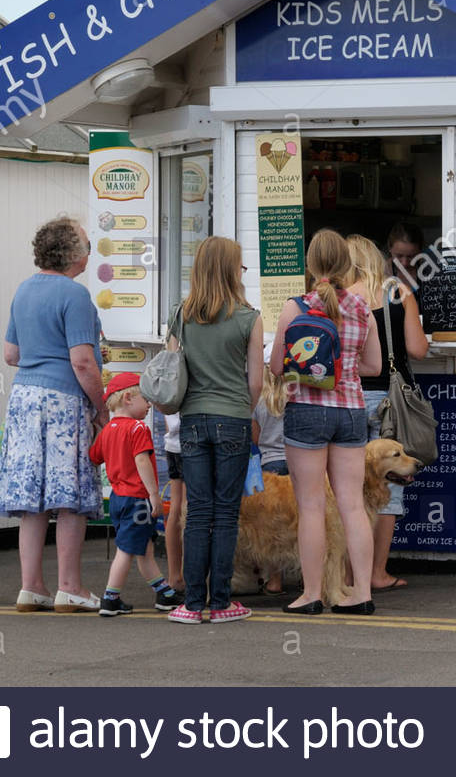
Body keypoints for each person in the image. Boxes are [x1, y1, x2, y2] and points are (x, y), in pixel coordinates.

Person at [0, 217, 106, 614]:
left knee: (32, 499)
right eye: (88, 245)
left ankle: (32, 588)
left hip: (24, 398)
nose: (90, 253)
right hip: (61, 402)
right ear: (73, 253)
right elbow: (83, 363)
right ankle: (70, 588)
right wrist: (103, 406)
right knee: (69, 496)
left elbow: (11, 355)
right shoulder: (74, 296)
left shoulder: (24, 290)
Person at [271, 229, 382, 616]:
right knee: (352, 504)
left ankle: (312, 594)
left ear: (310, 264)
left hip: (306, 410)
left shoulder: (295, 307)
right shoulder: (361, 308)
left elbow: (275, 366)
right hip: (351, 409)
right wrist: (344, 370)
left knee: (312, 505)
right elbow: (375, 366)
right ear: (347, 265)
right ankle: (361, 593)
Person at [172, 237, 264, 624]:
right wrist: (242, 410)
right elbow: (256, 381)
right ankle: (222, 602)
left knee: (197, 513)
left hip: (192, 420)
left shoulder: (182, 315)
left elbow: (171, 370)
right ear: (232, 270)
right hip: (233, 420)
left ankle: (192, 604)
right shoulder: (249, 317)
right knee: (226, 514)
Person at [346, 234, 428, 592]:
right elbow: (418, 349)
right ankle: (377, 572)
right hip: (388, 403)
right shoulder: (398, 292)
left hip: (347, 400)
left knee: (348, 489)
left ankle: (348, 574)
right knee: (388, 486)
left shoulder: (340, 296)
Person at [89, 372, 181, 615]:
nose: (150, 405)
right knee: (127, 550)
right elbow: (141, 460)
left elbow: (94, 457)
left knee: (143, 549)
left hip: (118, 499)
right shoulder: (138, 428)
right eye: (146, 399)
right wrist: (154, 494)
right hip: (139, 499)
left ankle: (165, 593)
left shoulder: (109, 430)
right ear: (128, 398)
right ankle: (110, 597)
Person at [250, 359, 289, 594]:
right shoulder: (294, 398)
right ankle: (309, 577)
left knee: (274, 527)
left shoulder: (258, 403)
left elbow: (255, 439)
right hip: (297, 465)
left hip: (269, 467)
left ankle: (275, 581)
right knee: (302, 523)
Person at [162, 412, 185, 595]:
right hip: (193, 442)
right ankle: (189, 576)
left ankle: (174, 576)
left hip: (173, 443)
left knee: (176, 508)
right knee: (191, 510)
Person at [386, 221, 425, 296]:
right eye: (399, 256)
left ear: (420, 252)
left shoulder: (429, 271)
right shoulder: (380, 274)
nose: (405, 263)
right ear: (389, 248)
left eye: (411, 256)